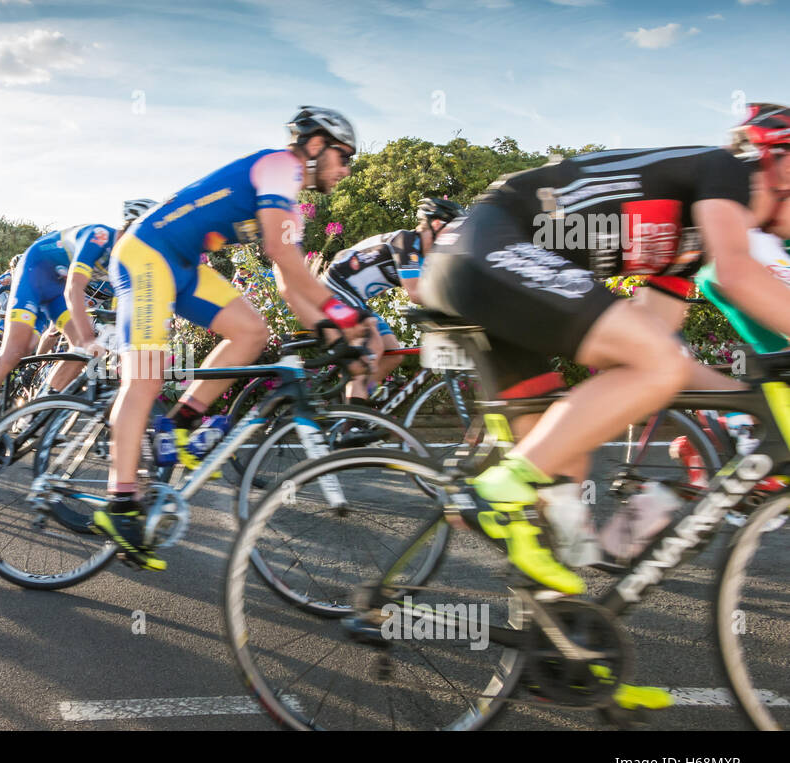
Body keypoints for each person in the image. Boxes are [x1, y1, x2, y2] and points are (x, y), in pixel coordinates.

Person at [415, 102, 790, 601]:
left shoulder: (690, 242)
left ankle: (568, 659)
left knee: (564, 496)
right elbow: (739, 276)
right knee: (647, 367)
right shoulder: (729, 171)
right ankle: (496, 492)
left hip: (484, 267)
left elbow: (662, 356)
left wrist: (750, 398)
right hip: (488, 246)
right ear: (780, 162)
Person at [95, 106, 363, 570]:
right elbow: (281, 251)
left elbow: (287, 276)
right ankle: (119, 504)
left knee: (252, 331)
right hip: (146, 253)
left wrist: (323, 327)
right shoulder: (282, 166)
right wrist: (339, 313)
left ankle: (178, 426)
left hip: (183, 265)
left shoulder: (291, 199)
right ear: (316, 145)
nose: (347, 171)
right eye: (345, 157)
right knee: (146, 376)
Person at [0, 200, 158, 473]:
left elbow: (129, 307)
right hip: (35, 272)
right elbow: (74, 289)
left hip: (56, 291)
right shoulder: (100, 237)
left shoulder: (127, 261)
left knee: (80, 351)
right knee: (17, 349)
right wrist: (90, 338)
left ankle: (37, 408)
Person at [322, 197, 464, 401]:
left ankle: (356, 399)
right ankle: (352, 417)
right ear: (436, 224)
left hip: (355, 297)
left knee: (393, 353)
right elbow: (416, 294)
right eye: (452, 231)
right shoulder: (405, 242)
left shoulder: (422, 257)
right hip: (336, 288)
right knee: (373, 348)